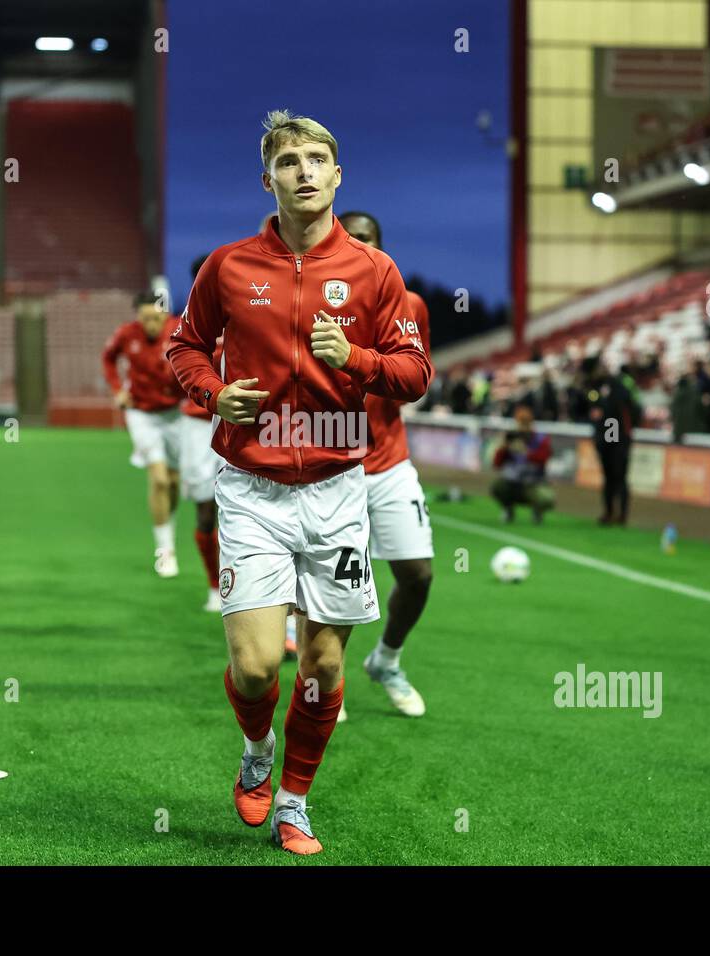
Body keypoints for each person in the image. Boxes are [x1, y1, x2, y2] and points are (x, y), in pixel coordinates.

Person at [165, 111, 432, 855]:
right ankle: (256, 751)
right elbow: (184, 347)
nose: (306, 171)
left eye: (319, 160)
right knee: (254, 668)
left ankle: (294, 799)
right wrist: (213, 396)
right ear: (269, 180)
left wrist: (356, 358)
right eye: (291, 162)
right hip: (251, 485)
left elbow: (414, 375)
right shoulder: (228, 267)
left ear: (338, 177)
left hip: (341, 488)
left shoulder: (377, 273)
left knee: (320, 663)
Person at [335, 210, 432, 719]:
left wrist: (358, 358)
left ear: (383, 245)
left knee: (417, 574)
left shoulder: (408, 303)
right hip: (333, 467)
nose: (361, 246)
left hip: (390, 461)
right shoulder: (315, 300)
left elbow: (414, 378)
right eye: (352, 238)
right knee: (338, 585)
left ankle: (386, 660)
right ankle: (328, 678)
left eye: (369, 238)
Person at [103, 291, 185, 577]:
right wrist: (117, 390)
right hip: (140, 413)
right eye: (145, 318)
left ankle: (166, 527)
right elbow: (108, 358)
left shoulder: (179, 329)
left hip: (175, 414)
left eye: (156, 317)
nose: (151, 323)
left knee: (174, 483)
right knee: (160, 479)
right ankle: (164, 551)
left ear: (165, 314)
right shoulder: (126, 335)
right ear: (137, 316)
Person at [178, 255, 226, 611]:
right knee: (205, 512)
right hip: (197, 426)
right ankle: (214, 584)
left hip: (241, 424)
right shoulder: (189, 325)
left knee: (241, 512)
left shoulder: (247, 312)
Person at [582, 355, 641, 525]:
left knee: (619, 477)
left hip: (617, 441)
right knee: (609, 478)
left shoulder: (618, 385)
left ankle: (621, 514)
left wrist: (611, 440)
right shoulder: (597, 388)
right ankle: (609, 512)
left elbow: (618, 416)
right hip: (608, 440)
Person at [491, 402, 554, 524]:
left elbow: (544, 458)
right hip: (512, 482)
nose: (523, 426)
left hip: (533, 483)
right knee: (498, 486)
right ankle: (508, 508)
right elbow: (496, 464)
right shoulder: (511, 437)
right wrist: (504, 447)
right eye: (521, 422)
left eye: (526, 422)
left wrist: (526, 453)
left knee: (546, 498)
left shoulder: (540, 439)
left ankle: (537, 510)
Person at [670, 367, 705, 443]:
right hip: (691, 427)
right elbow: (701, 408)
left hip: (679, 426)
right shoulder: (694, 392)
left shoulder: (678, 391)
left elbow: (672, 407)